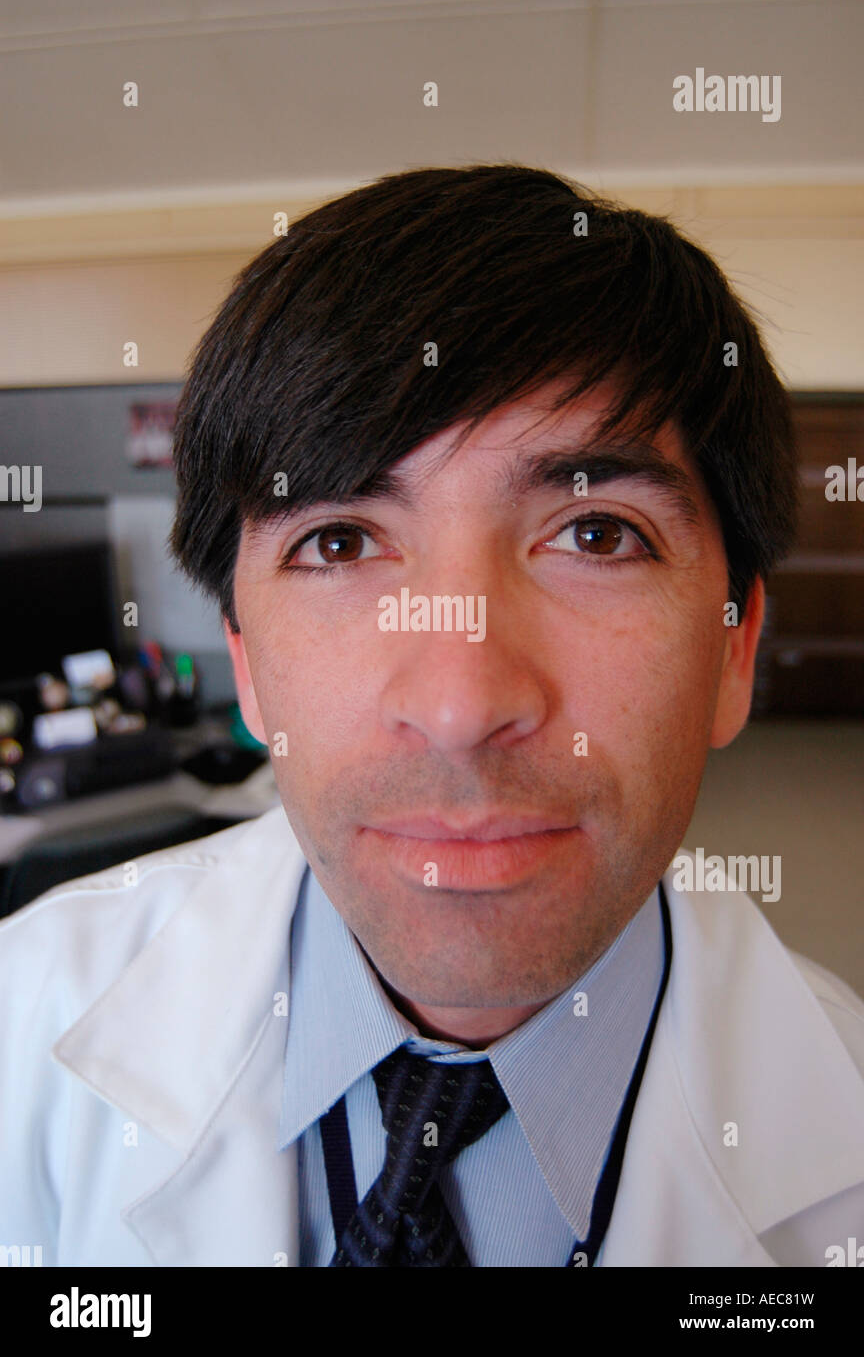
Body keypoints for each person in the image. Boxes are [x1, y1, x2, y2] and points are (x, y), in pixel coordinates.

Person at [1, 164, 862, 1269]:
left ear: (734, 647)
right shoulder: (24, 1032)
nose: (460, 707)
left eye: (597, 534)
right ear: (247, 663)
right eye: (341, 542)